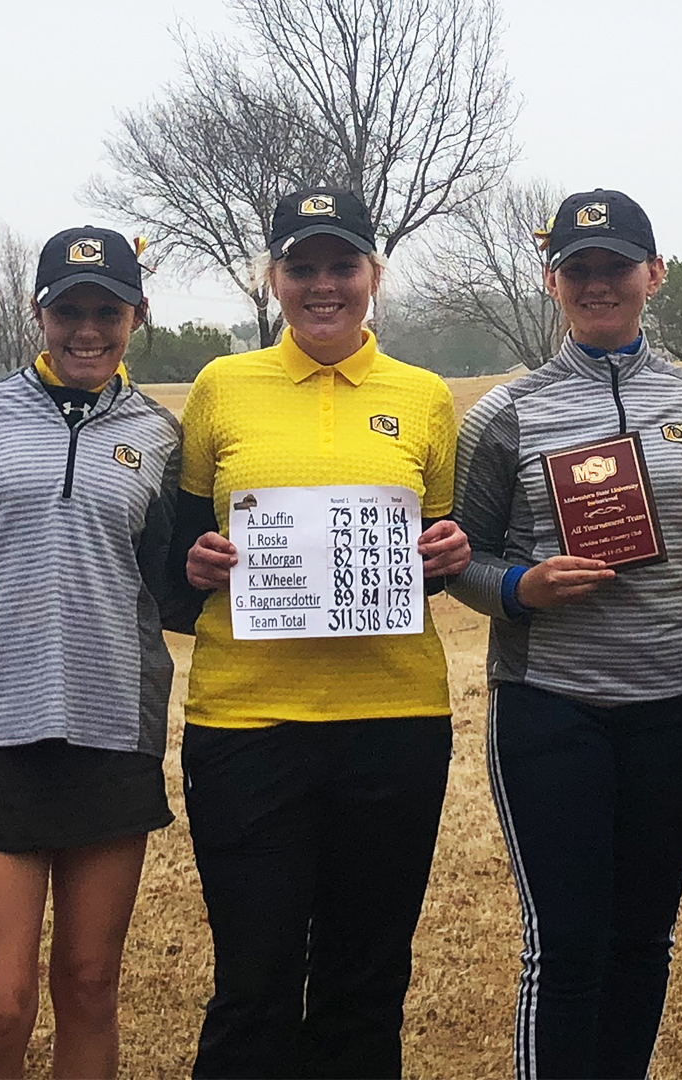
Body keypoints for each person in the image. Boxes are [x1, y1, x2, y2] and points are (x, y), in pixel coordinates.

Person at [171, 185, 471, 1079]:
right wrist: (196, 563)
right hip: (246, 726)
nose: (323, 285)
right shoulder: (223, 386)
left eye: (342, 265)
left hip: (393, 721)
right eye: (301, 268)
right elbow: (182, 541)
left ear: (374, 274)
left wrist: (448, 552)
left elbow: (441, 545)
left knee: (366, 978)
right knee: (253, 981)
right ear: (273, 281)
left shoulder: (422, 398)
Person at [446, 188, 682, 1080]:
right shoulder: (506, 412)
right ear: (553, 281)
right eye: (579, 270)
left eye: (617, 266)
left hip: (680, 704)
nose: (599, 283)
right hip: (552, 705)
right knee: (565, 947)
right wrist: (522, 586)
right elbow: (460, 559)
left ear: (654, 273)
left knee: (644, 939)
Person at [0, 226, 181, 1080]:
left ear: (137, 316)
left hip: (113, 724)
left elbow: (172, 581)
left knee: (88, 985)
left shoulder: (159, 433)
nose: (88, 330)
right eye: (68, 310)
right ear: (37, 312)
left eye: (107, 312)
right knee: (1, 1004)